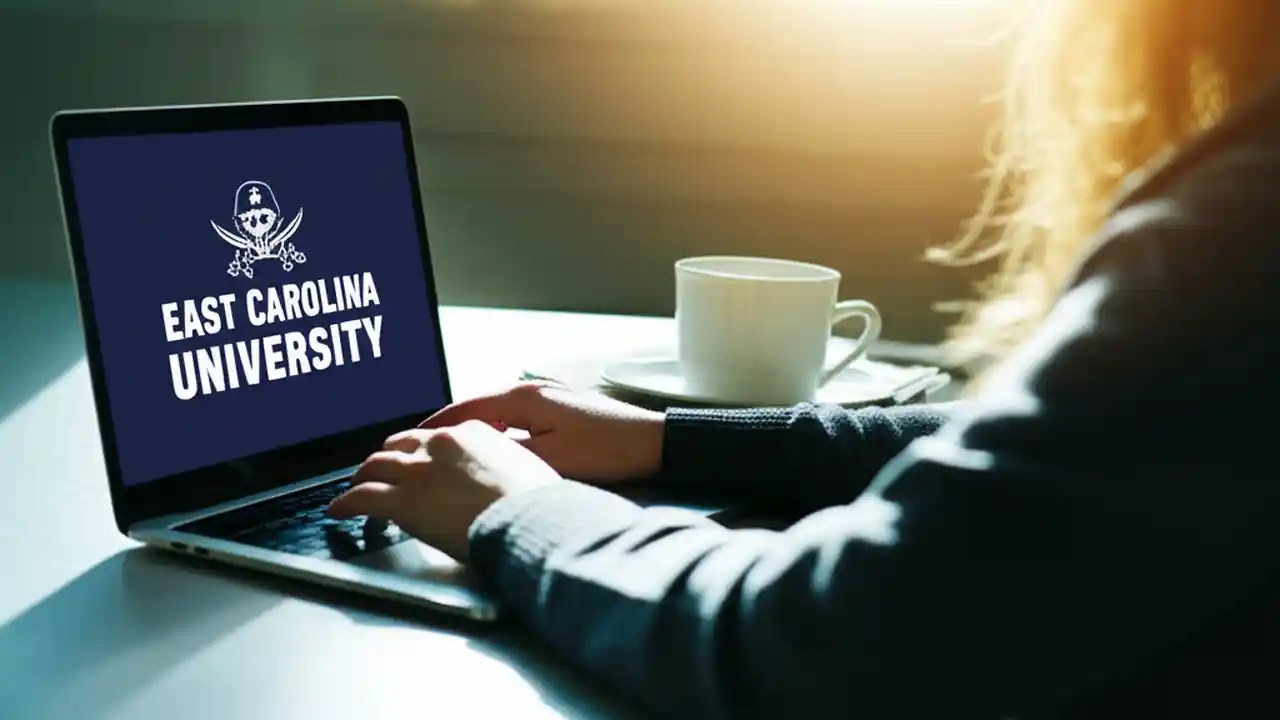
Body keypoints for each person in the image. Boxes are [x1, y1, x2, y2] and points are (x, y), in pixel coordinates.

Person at [329, 1, 1280, 717]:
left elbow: (825, 644)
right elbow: (1056, 448)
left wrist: (521, 511)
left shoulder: (1239, 228)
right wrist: (671, 439)